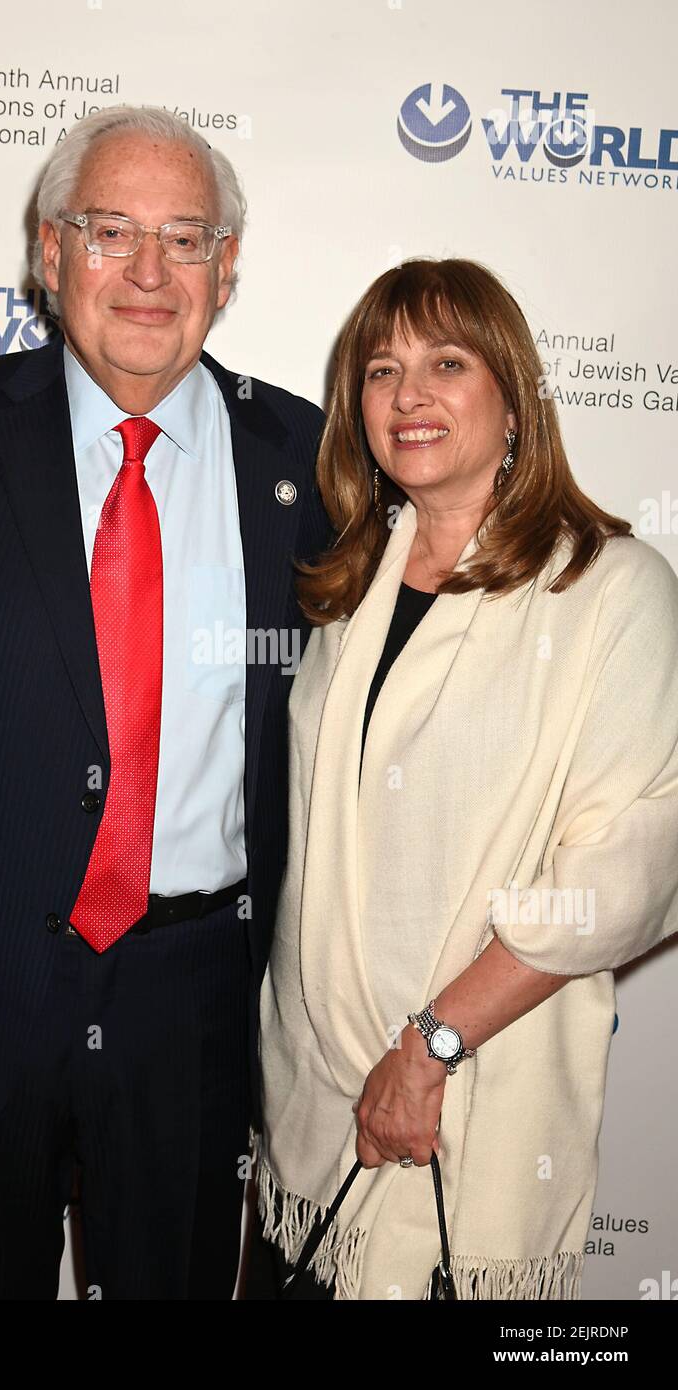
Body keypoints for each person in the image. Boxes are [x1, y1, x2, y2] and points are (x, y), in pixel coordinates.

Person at [0, 105, 330, 1300]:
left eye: (186, 238)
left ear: (229, 267)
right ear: (51, 255)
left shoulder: (301, 461)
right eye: (110, 232)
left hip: (194, 1010)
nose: (150, 274)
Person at [247, 258, 678, 1300]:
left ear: (515, 395)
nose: (409, 395)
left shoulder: (605, 586)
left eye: (448, 362)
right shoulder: (346, 584)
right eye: (382, 369)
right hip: (311, 1119)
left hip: (470, 1109)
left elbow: (626, 868)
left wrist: (432, 1044)